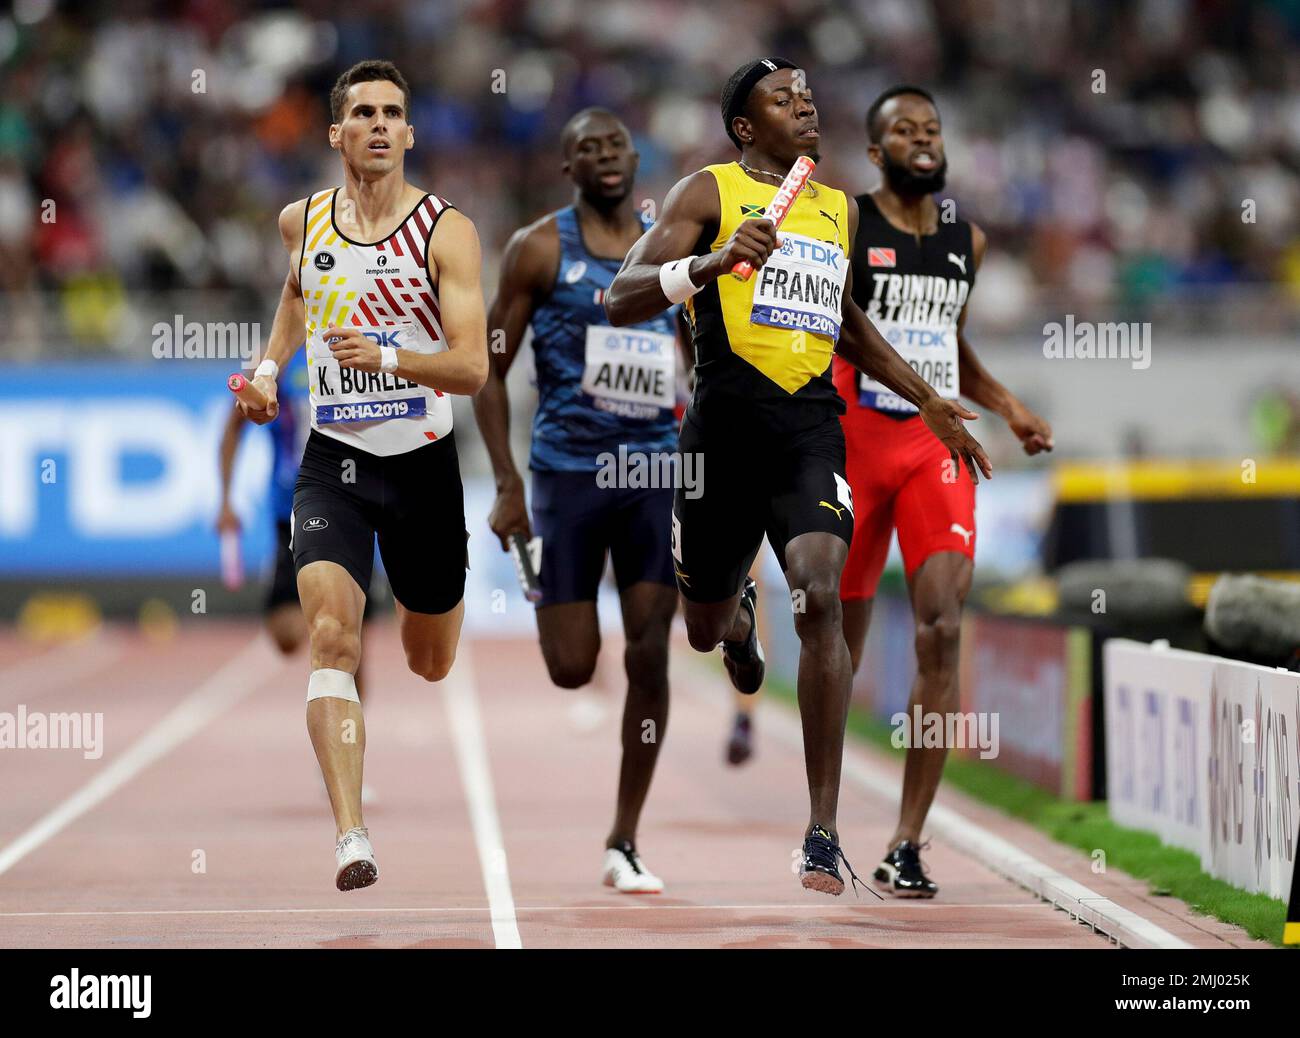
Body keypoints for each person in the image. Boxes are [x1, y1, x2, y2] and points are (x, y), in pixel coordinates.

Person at [605, 58, 991, 896]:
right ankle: (737, 625)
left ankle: (822, 829)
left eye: (808, 96)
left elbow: (847, 323)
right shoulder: (705, 193)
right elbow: (620, 296)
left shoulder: (836, 206)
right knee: (702, 631)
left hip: (809, 433)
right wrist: (706, 265)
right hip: (720, 436)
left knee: (819, 593)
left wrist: (926, 396)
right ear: (747, 128)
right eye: (782, 100)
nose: (804, 105)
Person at [237, 60, 488, 892]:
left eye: (394, 113)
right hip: (332, 465)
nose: (380, 125)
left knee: (429, 660)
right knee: (333, 639)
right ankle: (351, 836)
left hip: (421, 467)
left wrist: (386, 354)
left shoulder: (446, 231)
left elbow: (473, 368)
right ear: (336, 133)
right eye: (364, 114)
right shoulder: (299, 221)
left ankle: (425, 627)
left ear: (410, 134)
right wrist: (272, 371)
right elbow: (295, 297)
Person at [836, 85, 1053, 897]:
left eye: (931, 128)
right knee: (838, 645)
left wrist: (1006, 405)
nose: (922, 140)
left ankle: (906, 841)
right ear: (875, 149)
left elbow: (944, 340)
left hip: (939, 444)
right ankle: (825, 824)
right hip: (856, 440)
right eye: (903, 129)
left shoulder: (972, 240)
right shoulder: (849, 221)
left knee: (940, 628)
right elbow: (837, 319)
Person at [474, 108, 684, 893]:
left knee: (650, 649)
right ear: (569, 169)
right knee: (571, 668)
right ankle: (541, 574)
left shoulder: (673, 241)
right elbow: (488, 370)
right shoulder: (537, 249)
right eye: (585, 147)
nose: (603, 156)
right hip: (567, 471)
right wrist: (505, 482)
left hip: (654, 471)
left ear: (636, 157)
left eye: (615, 144)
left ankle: (624, 838)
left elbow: (702, 348)